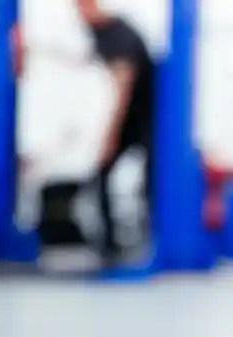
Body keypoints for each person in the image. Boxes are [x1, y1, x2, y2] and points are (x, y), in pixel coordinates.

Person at [75, 0, 155, 265]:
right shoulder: (96, 35)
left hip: (146, 118)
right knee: (100, 176)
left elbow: (122, 88)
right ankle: (109, 248)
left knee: (153, 181)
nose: (78, 12)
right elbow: (83, 61)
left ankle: (152, 241)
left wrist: (109, 136)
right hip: (127, 119)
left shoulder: (119, 33)